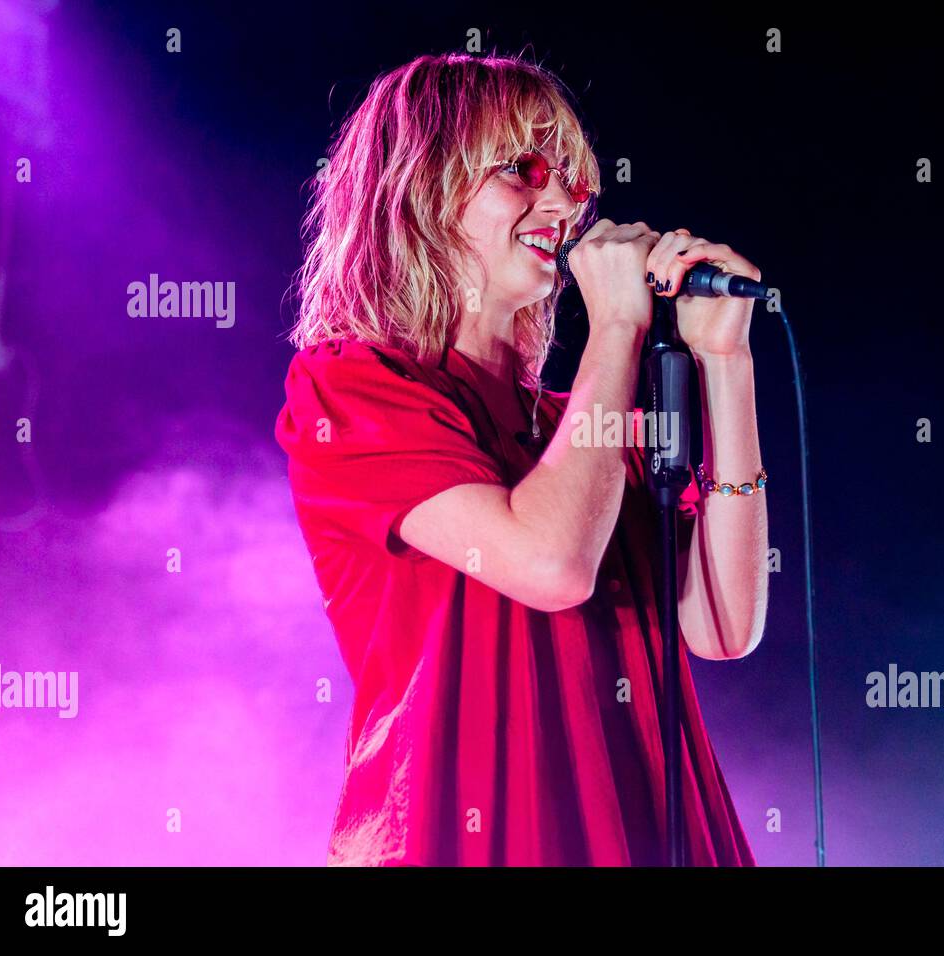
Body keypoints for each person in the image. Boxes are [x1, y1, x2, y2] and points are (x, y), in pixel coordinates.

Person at [274, 51, 769, 866]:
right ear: (420, 192)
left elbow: (723, 627)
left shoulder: (578, 427)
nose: (565, 202)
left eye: (574, 179)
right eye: (524, 169)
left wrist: (726, 365)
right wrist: (617, 328)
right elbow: (550, 563)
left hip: (647, 831)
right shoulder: (354, 388)